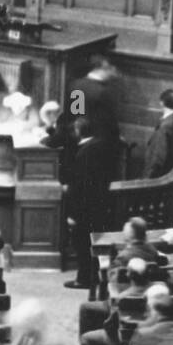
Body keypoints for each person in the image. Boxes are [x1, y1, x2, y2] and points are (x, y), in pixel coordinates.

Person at [64, 117, 117, 289]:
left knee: (82, 244)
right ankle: (94, 277)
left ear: (78, 132)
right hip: (100, 205)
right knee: (94, 244)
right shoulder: (100, 146)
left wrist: (73, 215)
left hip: (84, 210)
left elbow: (80, 188)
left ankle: (83, 279)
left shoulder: (84, 153)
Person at [141, 89, 173, 178]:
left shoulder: (165, 127)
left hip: (160, 178)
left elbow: (158, 158)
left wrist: (147, 179)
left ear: (161, 103)